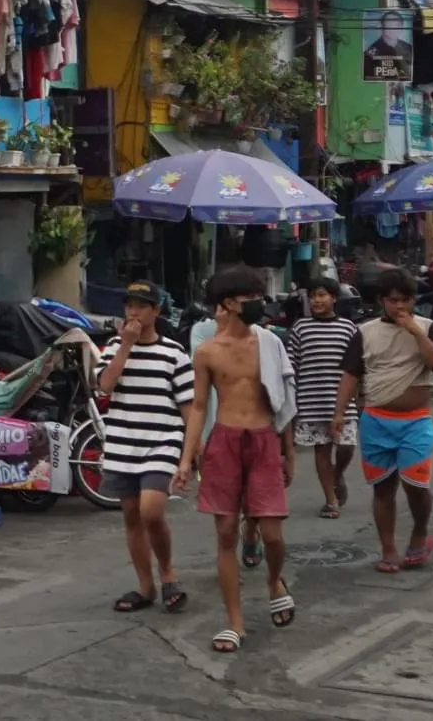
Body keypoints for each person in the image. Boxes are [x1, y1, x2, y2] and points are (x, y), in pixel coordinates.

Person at [177, 268, 297, 655]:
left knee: (274, 536)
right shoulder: (208, 351)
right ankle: (234, 622)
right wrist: (185, 459)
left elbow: (283, 399)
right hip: (224, 441)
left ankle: (274, 580)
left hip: (263, 439)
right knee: (226, 533)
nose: (259, 304)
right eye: (250, 298)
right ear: (228, 303)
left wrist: (288, 451)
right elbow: (197, 406)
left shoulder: (269, 343)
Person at [331, 267, 433, 574]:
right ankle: (388, 550)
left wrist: (416, 333)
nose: (400, 307)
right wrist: (339, 412)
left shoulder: (427, 326)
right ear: (382, 300)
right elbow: (351, 375)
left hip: (416, 421)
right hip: (376, 420)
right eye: (393, 300)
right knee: (383, 488)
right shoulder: (365, 332)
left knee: (416, 486)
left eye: (406, 300)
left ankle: (420, 534)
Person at [97, 281, 193, 618]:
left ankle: (168, 573)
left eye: (141, 305)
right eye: (129, 305)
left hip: (162, 441)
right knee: (132, 517)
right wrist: (125, 346)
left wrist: (189, 456)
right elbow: (104, 387)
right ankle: (145, 586)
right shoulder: (112, 347)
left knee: (151, 511)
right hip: (123, 443)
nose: (134, 312)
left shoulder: (174, 353)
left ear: (156, 311)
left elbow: (189, 407)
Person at [290, 277, 359, 518]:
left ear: (334, 298)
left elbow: (356, 367)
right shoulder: (300, 327)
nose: (317, 300)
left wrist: (358, 397)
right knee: (322, 450)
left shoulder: (348, 328)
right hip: (311, 400)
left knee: (347, 447)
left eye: (322, 295)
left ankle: (337, 475)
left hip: (343, 401)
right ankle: (331, 500)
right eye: (313, 296)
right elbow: (292, 366)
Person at [362, 12, 412, 81]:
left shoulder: (409, 49)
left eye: (396, 25)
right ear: (381, 26)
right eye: (389, 24)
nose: (393, 28)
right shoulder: (370, 54)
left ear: (401, 27)